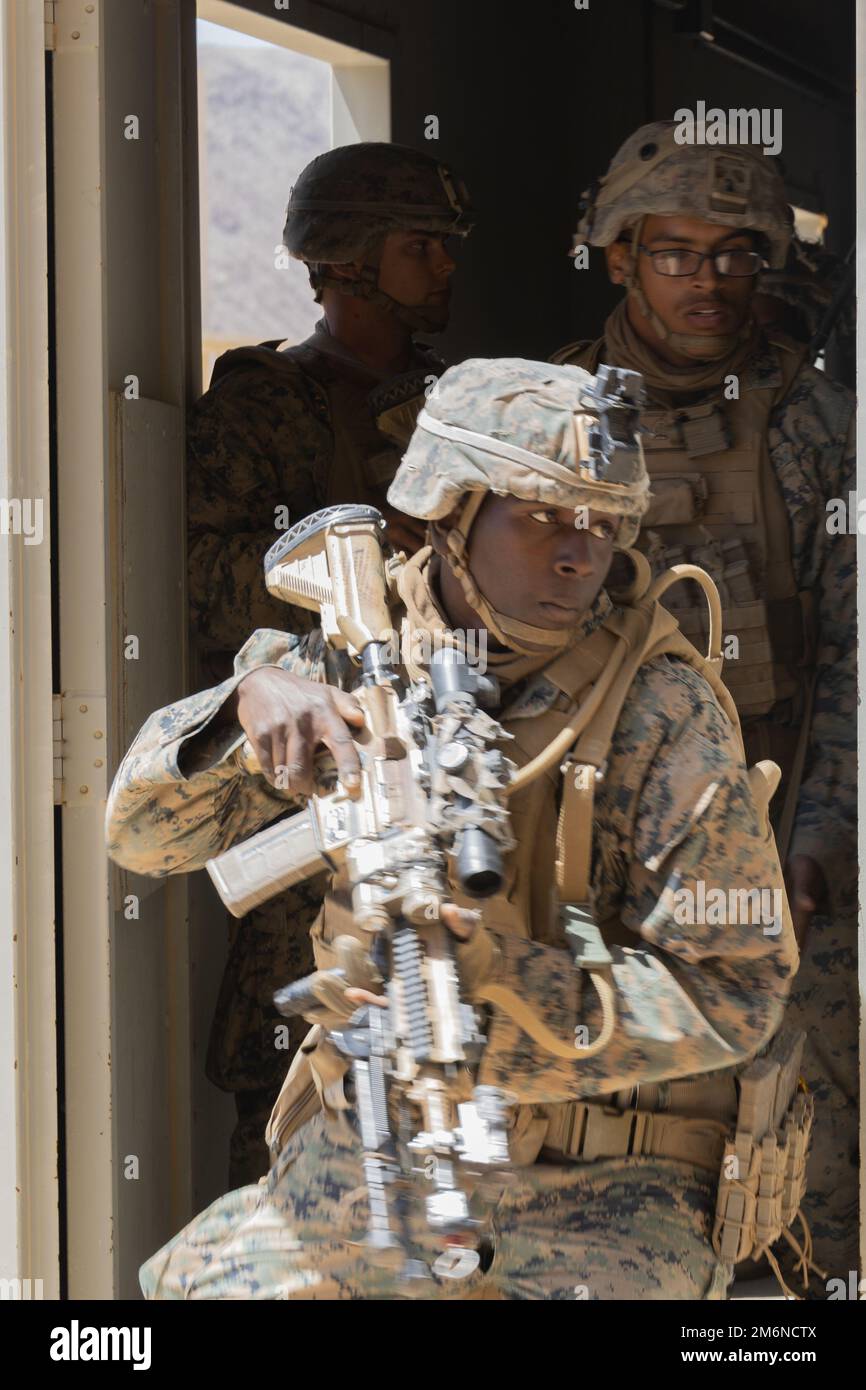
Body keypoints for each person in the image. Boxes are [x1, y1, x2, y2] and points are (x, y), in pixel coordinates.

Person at [107, 357, 802, 1300]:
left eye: (600, 524)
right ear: (451, 510)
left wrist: (500, 989)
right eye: (544, 515)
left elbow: (736, 989)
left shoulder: (662, 709)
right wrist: (243, 713)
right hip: (374, 1150)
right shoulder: (353, 655)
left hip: (607, 1183)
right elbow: (144, 838)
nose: (577, 553)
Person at [552, 121, 857, 1286]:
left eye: (736, 253)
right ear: (620, 254)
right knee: (595, 1164)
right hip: (589, 859)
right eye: (675, 250)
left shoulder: (815, 426)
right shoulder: (546, 415)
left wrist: (823, 835)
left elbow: (850, 653)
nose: (709, 281)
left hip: (780, 860)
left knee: (803, 1169)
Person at [188, 142, 473, 1185]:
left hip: (440, 777)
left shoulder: (456, 402)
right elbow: (199, 581)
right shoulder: (264, 405)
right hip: (311, 794)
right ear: (347, 259)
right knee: (284, 1073)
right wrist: (350, 549)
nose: (444, 267)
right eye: (420, 246)